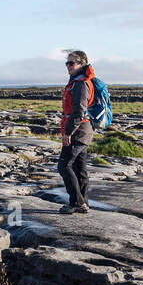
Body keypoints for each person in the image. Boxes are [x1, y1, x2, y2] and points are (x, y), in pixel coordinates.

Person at [58, 50, 96, 214]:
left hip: (78, 132)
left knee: (64, 165)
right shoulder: (78, 80)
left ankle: (77, 202)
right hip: (84, 131)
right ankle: (83, 202)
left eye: (71, 63)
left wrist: (68, 133)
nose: (68, 66)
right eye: (67, 63)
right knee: (80, 167)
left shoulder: (81, 83)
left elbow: (79, 112)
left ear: (82, 64)